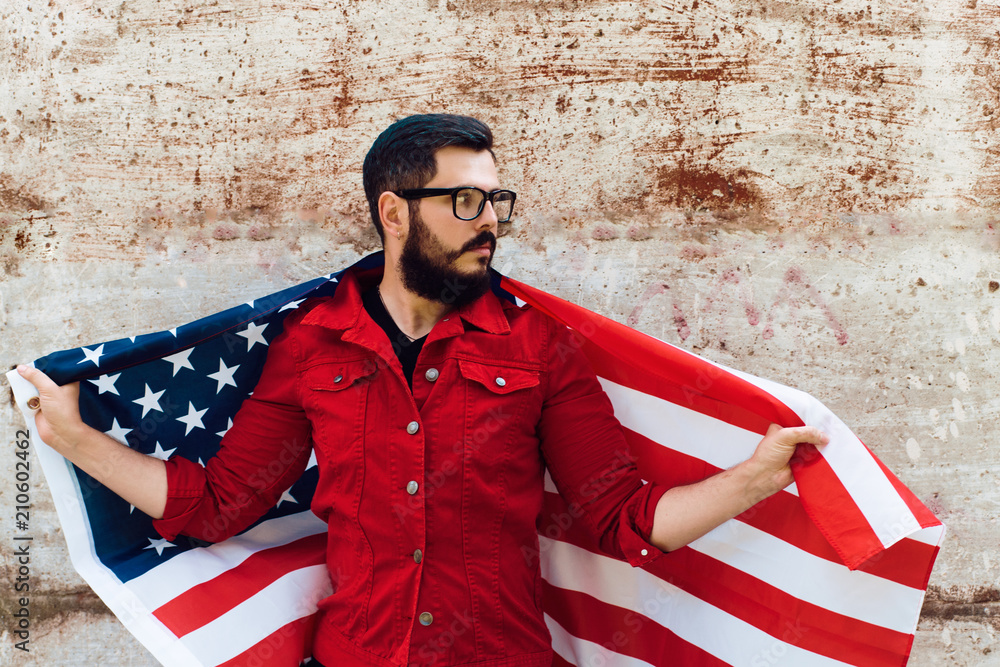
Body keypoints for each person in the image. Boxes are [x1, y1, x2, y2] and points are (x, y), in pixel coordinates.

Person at [17, 114, 828, 667]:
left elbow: (624, 518)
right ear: (394, 211)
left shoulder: (539, 346)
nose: (491, 223)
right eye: (466, 201)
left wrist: (758, 476)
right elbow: (218, 504)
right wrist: (76, 439)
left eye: (496, 201)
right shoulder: (313, 343)